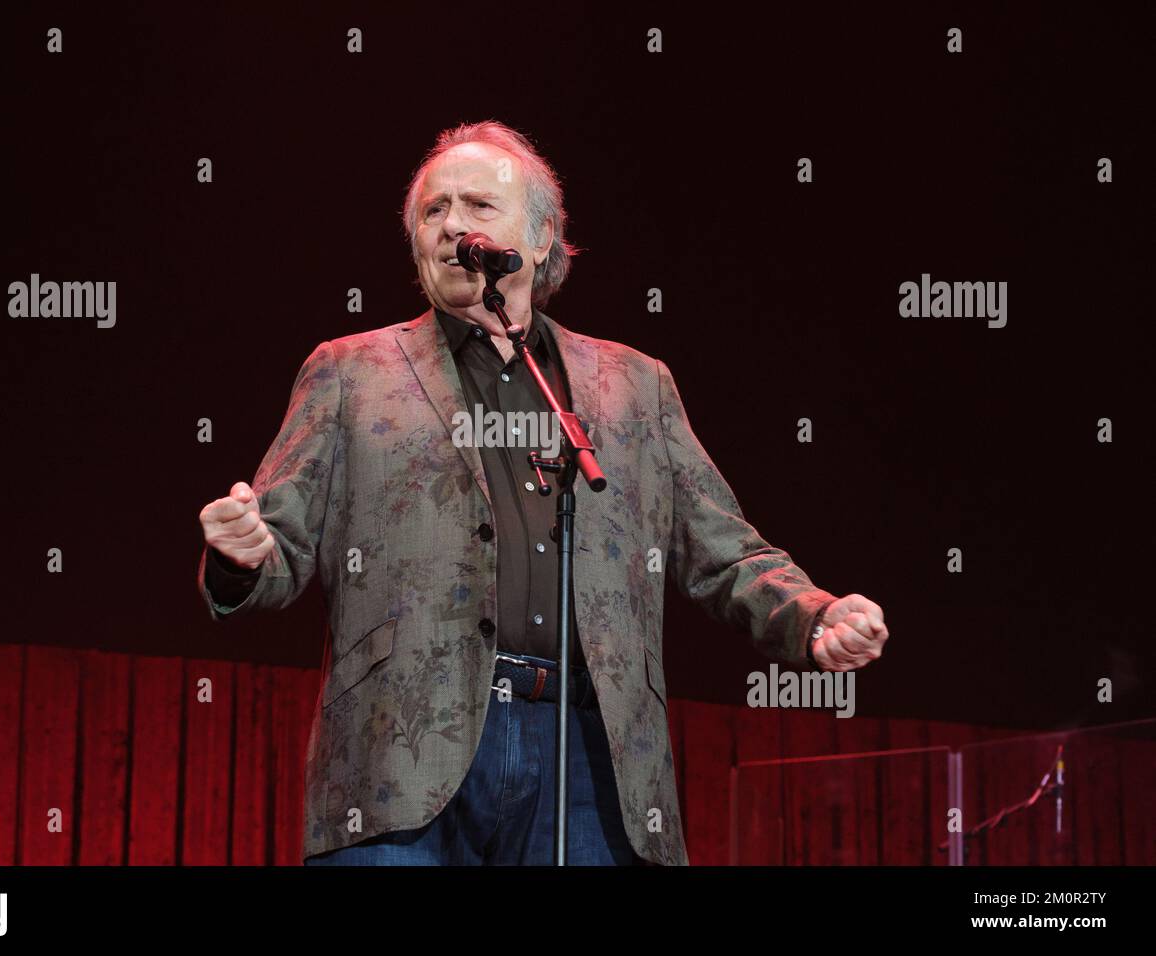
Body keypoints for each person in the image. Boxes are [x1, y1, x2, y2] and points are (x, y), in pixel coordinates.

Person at [196, 120, 889, 865]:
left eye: (476, 207)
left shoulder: (632, 384)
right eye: (433, 211)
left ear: (541, 234)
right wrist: (240, 552)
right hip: (403, 756)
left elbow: (721, 550)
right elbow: (277, 553)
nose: (452, 225)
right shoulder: (350, 372)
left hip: (590, 756)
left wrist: (811, 614)